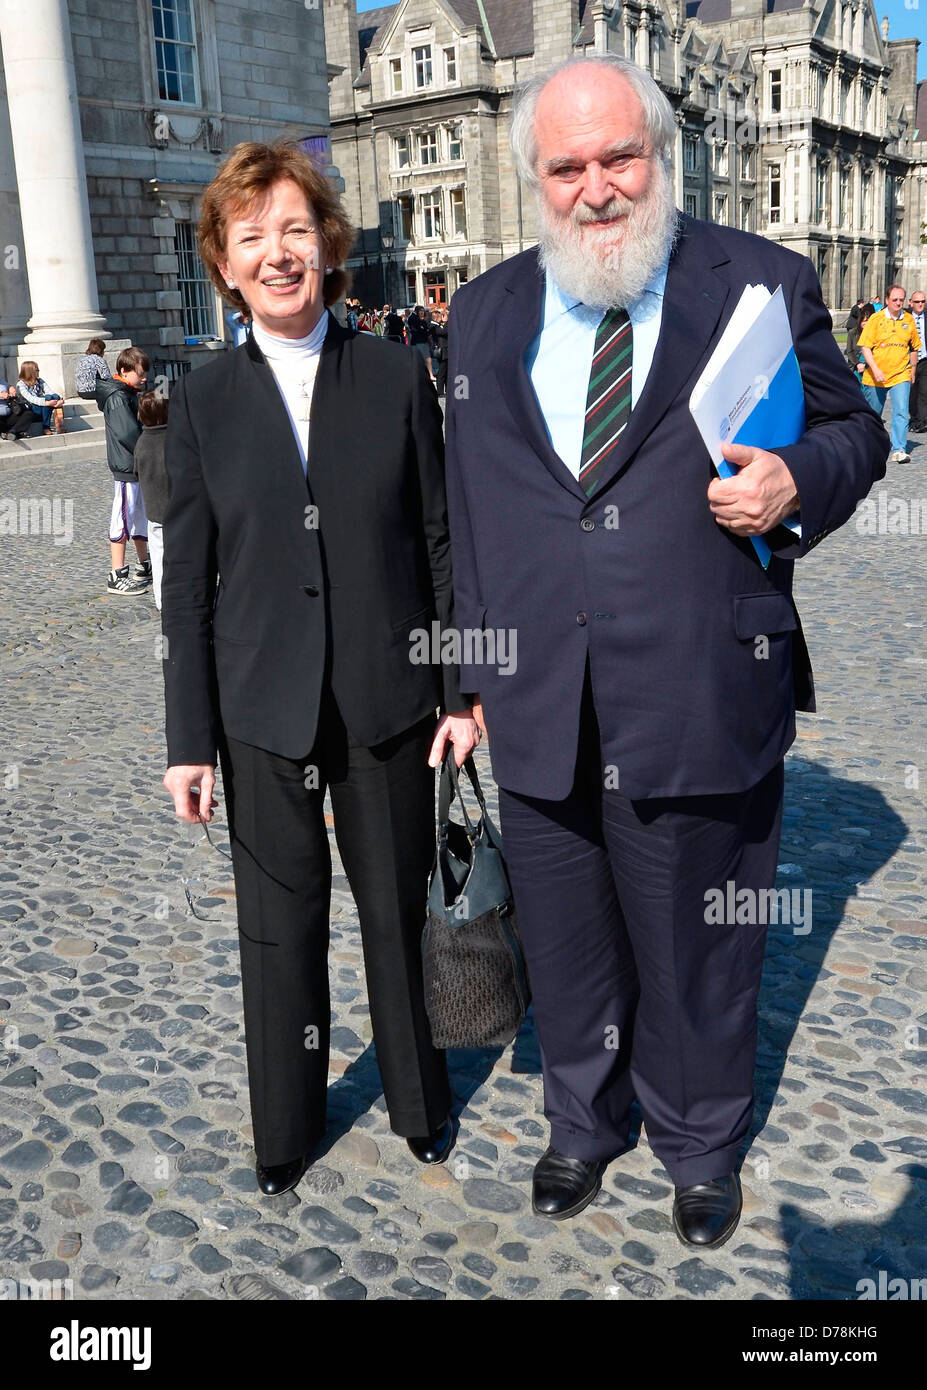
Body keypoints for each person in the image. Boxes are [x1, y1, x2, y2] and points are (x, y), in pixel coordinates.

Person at [445, 54, 887, 1246]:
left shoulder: (760, 281)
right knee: (572, 936)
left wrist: (798, 478)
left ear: (663, 155)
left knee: (701, 938)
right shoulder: (482, 313)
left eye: (619, 157)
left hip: (699, 681)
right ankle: (581, 1123)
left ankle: (699, 1140)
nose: (597, 187)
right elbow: (469, 512)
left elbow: (858, 430)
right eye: (569, 165)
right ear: (535, 177)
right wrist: (462, 682)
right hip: (539, 692)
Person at [160, 140, 479, 1199]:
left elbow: (440, 541)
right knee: (278, 928)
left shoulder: (394, 374)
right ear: (224, 262)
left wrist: (459, 690)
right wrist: (186, 743)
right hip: (258, 710)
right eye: (252, 237)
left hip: (385, 702)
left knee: (395, 915)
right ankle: (285, 1128)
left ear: (329, 244)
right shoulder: (200, 399)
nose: (278, 252)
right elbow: (188, 584)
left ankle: (420, 1103)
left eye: (295, 229)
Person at [96, 346, 151, 596]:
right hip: (126, 466)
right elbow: (129, 433)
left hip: (135, 465)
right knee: (123, 519)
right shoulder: (118, 397)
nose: (144, 377)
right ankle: (116, 574)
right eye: (139, 373)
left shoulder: (127, 393)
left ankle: (143, 563)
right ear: (123, 370)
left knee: (139, 516)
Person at [857, 285, 921, 464]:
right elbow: (865, 347)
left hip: (901, 373)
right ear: (887, 300)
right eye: (895, 300)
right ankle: (869, 445)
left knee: (901, 411)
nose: (898, 303)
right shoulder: (876, 319)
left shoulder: (908, 320)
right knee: (874, 414)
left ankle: (899, 448)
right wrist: (875, 369)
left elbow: (914, 347)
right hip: (876, 375)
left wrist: (913, 370)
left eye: (901, 299)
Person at [134, 389, 169, 609]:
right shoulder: (176, 439)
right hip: (181, 511)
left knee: (158, 557)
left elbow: (136, 472)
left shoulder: (141, 443)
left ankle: (161, 599)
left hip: (155, 512)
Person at [17, 361, 64, 434]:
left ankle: (47, 427)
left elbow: (50, 391)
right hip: (32, 409)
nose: (39, 371)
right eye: (37, 370)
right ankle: (46, 427)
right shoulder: (21, 384)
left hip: (43, 407)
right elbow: (30, 398)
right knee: (47, 401)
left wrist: (60, 400)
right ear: (30, 371)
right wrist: (46, 402)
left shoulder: (39, 381)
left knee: (51, 396)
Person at [907, 289, 927, 431]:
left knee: (924, 392)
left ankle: (920, 421)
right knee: (912, 393)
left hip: (925, 360)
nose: (921, 304)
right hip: (908, 361)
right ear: (911, 303)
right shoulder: (905, 317)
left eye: (923, 301)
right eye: (918, 301)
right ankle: (914, 418)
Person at [845, 302, 874, 378]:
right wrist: (857, 363)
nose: (866, 323)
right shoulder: (852, 333)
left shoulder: (874, 334)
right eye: (864, 321)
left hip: (869, 366)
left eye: (868, 321)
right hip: (855, 365)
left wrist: (865, 364)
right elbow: (849, 351)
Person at [407, 305, 434, 379]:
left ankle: (429, 374)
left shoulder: (421, 320)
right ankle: (429, 374)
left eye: (423, 311)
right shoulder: (416, 319)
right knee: (426, 359)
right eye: (420, 311)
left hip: (421, 341)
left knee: (426, 359)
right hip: (419, 341)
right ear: (417, 311)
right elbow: (420, 331)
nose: (422, 312)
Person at [431, 306, 449, 396]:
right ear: (437, 318)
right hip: (441, 352)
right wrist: (446, 322)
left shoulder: (438, 325)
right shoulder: (433, 326)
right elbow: (444, 332)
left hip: (445, 351)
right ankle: (440, 391)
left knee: (446, 372)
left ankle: (447, 389)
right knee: (441, 372)